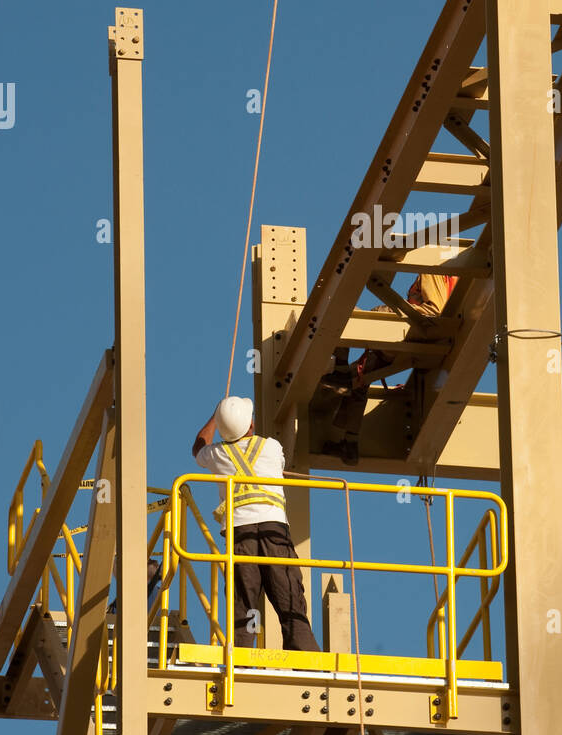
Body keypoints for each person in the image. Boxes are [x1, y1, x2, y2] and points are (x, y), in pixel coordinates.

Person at [192, 395, 320, 652]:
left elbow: (198, 446)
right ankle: (306, 660)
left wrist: (216, 417)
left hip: (240, 539)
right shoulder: (272, 447)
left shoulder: (217, 454)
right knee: (290, 601)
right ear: (250, 425)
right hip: (275, 534)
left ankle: (240, 661)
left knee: (243, 606)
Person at [322, 273, 458, 464]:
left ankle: (340, 368)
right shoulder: (454, 281)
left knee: (343, 307)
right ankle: (350, 443)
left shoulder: (434, 272)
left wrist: (398, 312)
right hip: (416, 341)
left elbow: (433, 311)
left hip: (415, 332)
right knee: (359, 376)